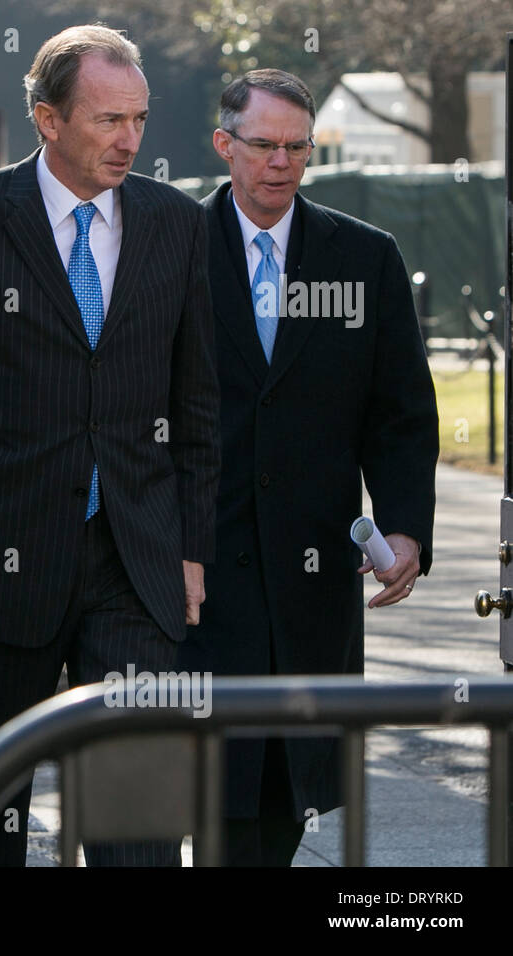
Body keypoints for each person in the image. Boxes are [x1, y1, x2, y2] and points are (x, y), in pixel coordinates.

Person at [0, 24, 220, 866]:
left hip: (135, 560)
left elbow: (201, 407)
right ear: (47, 118)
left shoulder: (177, 225)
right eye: (108, 120)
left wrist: (191, 548)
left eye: (138, 118)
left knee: (136, 819)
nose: (129, 139)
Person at [177, 69, 439, 866]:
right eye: (262, 146)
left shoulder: (365, 257)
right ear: (225, 146)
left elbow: (400, 415)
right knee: (213, 790)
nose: (280, 163)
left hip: (314, 573)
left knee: (290, 793)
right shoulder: (172, 249)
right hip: (202, 570)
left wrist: (401, 528)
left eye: (298, 147)